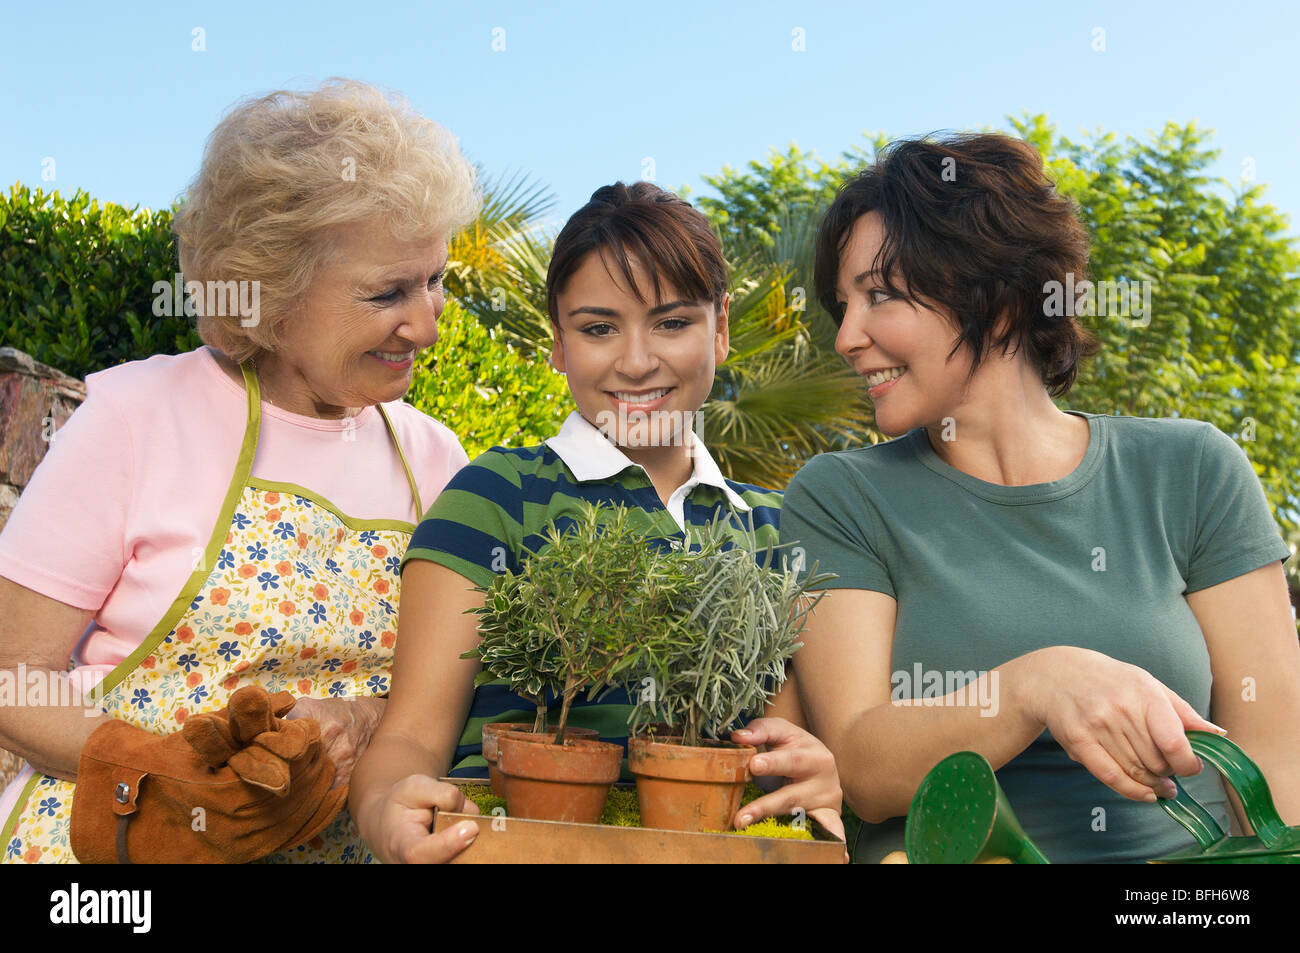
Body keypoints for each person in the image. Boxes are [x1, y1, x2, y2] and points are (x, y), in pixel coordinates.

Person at [779, 132, 1300, 863]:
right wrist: (1036, 683)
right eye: (845, 304)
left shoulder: (1194, 470)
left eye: (881, 296)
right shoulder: (844, 497)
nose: (848, 337)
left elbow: (1278, 774)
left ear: (997, 299)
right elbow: (862, 764)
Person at [0, 79, 482, 864]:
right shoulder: (136, 416)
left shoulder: (439, 461)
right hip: (110, 854)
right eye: (386, 291)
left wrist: (356, 721)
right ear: (271, 294)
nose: (425, 325)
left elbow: (448, 703)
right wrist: (167, 778)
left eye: (435, 279)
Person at [351, 182, 843, 863]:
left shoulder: (772, 527)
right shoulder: (495, 496)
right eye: (598, 328)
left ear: (722, 327)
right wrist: (385, 809)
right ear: (557, 342)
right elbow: (409, 736)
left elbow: (774, 751)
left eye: (672, 323)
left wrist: (814, 778)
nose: (636, 361)